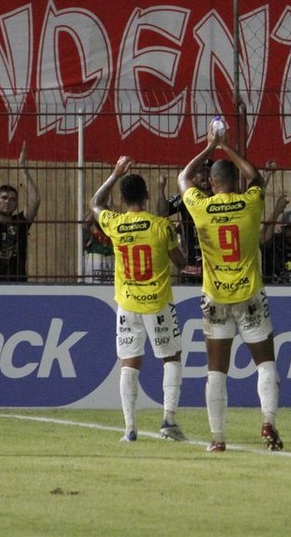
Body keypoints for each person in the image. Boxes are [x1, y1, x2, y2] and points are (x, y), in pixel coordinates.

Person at [178, 119, 282, 452]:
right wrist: (226, 148)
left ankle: (217, 439)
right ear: (235, 181)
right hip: (250, 294)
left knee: (216, 372)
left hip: (216, 297)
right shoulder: (250, 203)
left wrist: (209, 146)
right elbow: (256, 177)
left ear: (210, 182)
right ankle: (268, 423)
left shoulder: (202, 207)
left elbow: (182, 177)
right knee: (265, 364)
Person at [91, 157, 188, 442]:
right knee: (171, 357)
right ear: (146, 196)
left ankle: (130, 428)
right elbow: (180, 262)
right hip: (157, 303)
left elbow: (95, 204)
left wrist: (114, 174)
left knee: (129, 363)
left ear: (121, 198)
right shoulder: (161, 226)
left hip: (128, 304)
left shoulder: (117, 224)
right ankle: (168, 421)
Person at [0, 145, 41, 282]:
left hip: (17, 285)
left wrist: (22, 168)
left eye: (12, 199)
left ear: (16, 204)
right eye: (4, 198)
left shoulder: (20, 222)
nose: (8, 202)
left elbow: (35, 200)